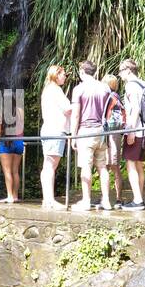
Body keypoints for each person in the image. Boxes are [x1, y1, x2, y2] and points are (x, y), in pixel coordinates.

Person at [68, 61, 114, 212]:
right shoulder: (105, 87)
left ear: (82, 72)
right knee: (102, 167)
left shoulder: (78, 89)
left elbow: (75, 115)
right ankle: (106, 201)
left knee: (86, 167)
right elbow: (110, 111)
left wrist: (73, 136)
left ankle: (86, 201)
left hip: (85, 132)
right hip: (101, 131)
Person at [39, 65, 72, 211]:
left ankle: (47, 200)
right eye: (63, 74)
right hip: (56, 130)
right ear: (56, 74)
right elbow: (68, 109)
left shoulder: (47, 89)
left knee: (48, 165)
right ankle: (50, 200)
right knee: (50, 166)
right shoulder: (55, 90)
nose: (65, 77)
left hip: (48, 129)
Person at [117, 59, 145, 210]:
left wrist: (130, 132)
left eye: (121, 71)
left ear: (128, 70)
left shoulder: (130, 85)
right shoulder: (143, 84)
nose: (120, 74)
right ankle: (139, 198)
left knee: (130, 164)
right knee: (139, 165)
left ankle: (137, 200)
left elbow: (135, 109)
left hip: (136, 130)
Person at [0, 93, 24, 204]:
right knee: (15, 171)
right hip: (19, 142)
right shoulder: (20, 111)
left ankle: (9, 196)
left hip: (6, 142)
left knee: (7, 172)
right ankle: (15, 196)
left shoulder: (1, 113)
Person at [103, 75, 125, 207]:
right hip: (114, 134)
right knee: (113, 166)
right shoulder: (116, 97)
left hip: (110, 134)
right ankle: (117, 198)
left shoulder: (111, 97)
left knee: (110, 165)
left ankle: (116, 198)